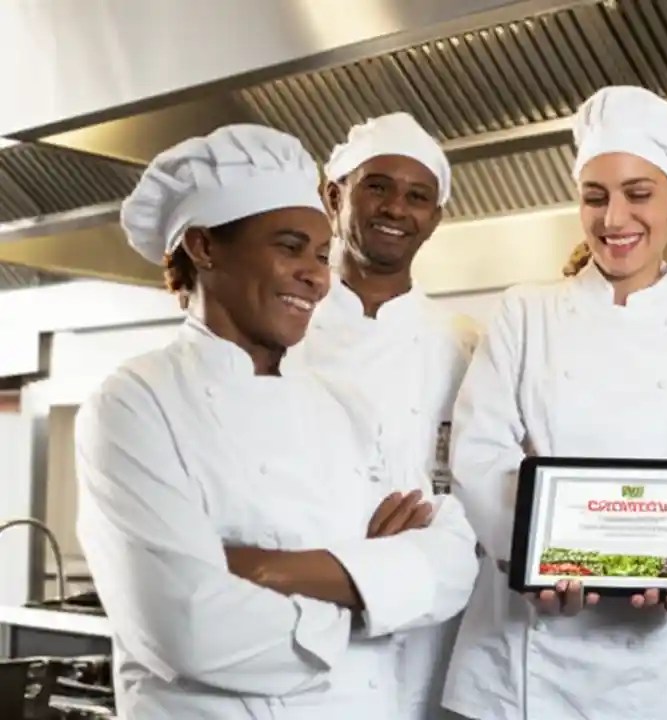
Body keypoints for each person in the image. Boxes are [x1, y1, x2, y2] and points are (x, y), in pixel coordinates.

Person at [74, 124, 479, 719]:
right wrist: (372, 592)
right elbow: (191, 627)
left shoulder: (342, 405)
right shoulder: (136, 402)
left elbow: (451, 560)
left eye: (320, 254)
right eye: (289, 247)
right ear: (205, 247)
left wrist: (263, 570)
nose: (317, 276)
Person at [441, 85, 667, 720]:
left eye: (639, 194)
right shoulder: (524, 312)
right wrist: (537, 564)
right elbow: (478, 460)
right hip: (524, 671)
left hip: (664, 678)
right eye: (596, 196)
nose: (614, 219)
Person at [286, 111, 479, 719]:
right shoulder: (284, 331)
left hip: (432, 640)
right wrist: (359, 553)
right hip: (308, 634)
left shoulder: (468, 345)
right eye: (377, 186)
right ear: (332, 194)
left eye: (418, 196)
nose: (397, 208)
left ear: (436, 219)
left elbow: (483, 500)